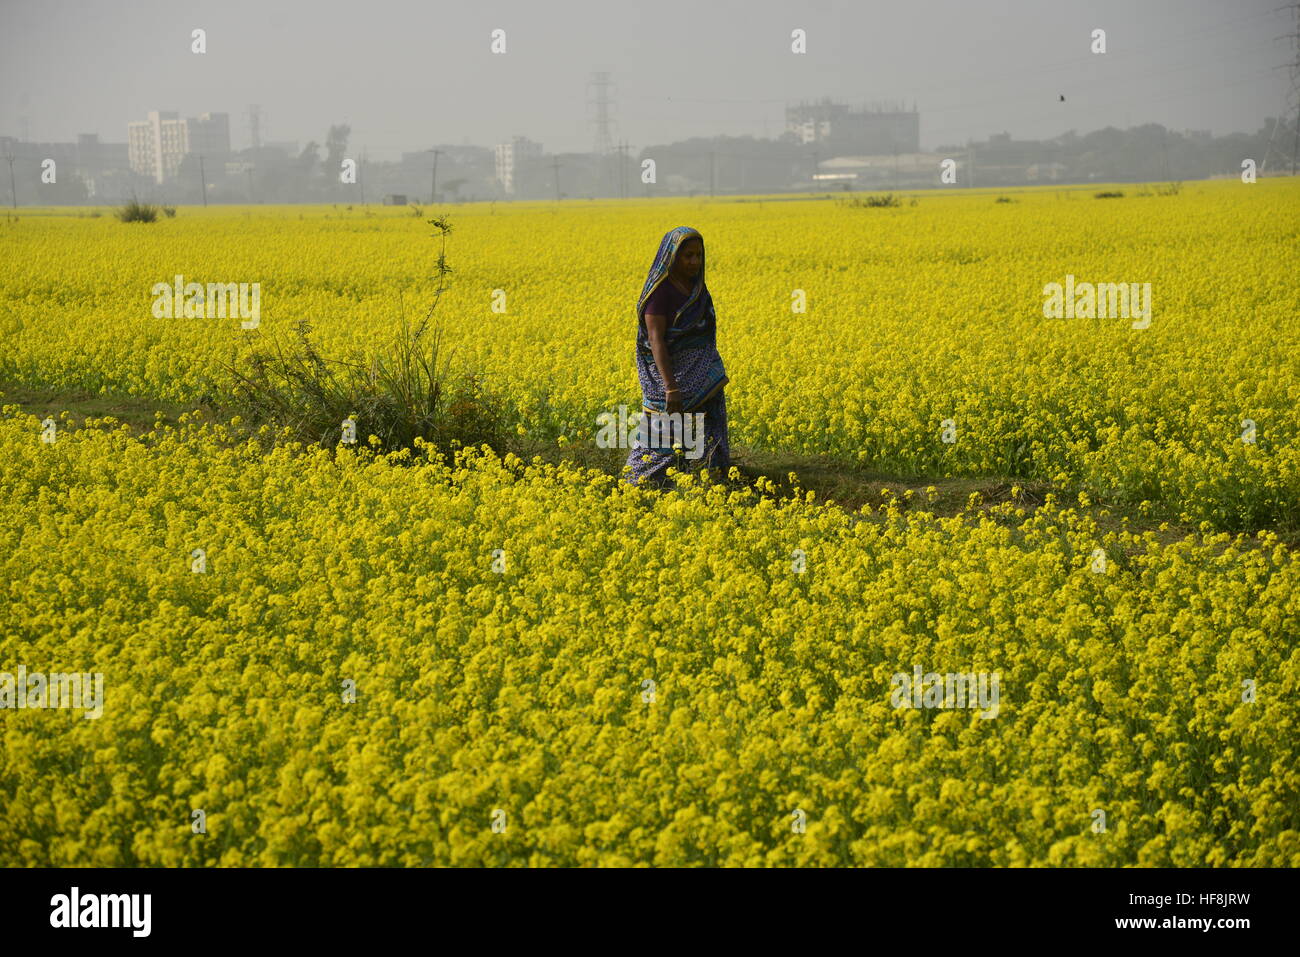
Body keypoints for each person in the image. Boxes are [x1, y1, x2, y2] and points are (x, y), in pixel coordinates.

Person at [625, 226, 729, 488]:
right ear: (672, 257)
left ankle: (709, 478)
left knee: (707, 427)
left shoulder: (696, 289)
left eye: (698, 255)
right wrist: (671, 387)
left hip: (702, 374)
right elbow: (656, 340)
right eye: (687, 256)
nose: (694, 261)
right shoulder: (660, 294)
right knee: (662, 432)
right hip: (669, 378)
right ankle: (640, 483)